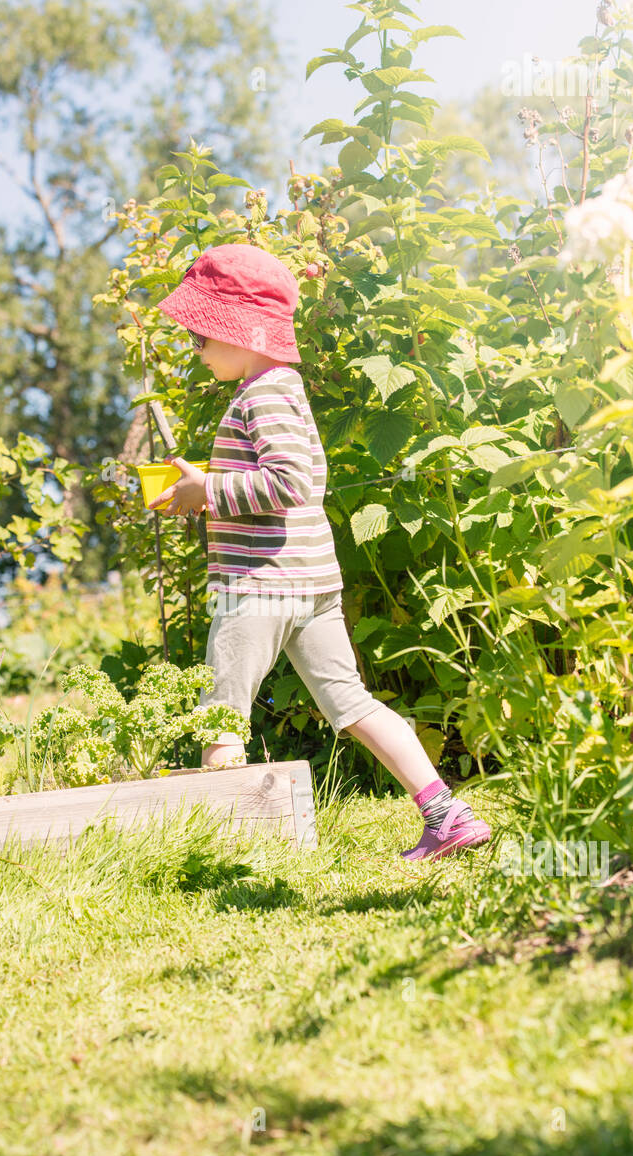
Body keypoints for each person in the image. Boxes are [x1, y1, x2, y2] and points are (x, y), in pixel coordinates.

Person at [148, 243, 489, 861]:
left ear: (242, 329)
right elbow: (295, 478)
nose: (194, 346)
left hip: (258, 586)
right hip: (309, 582)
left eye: (201, 333)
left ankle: (218, 850)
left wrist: (209, 489)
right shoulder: (283, 389)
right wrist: (209, 488)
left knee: (220, 708)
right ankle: (445, 811)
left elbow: (288, 483)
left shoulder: (261, 396)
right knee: (351, 702)